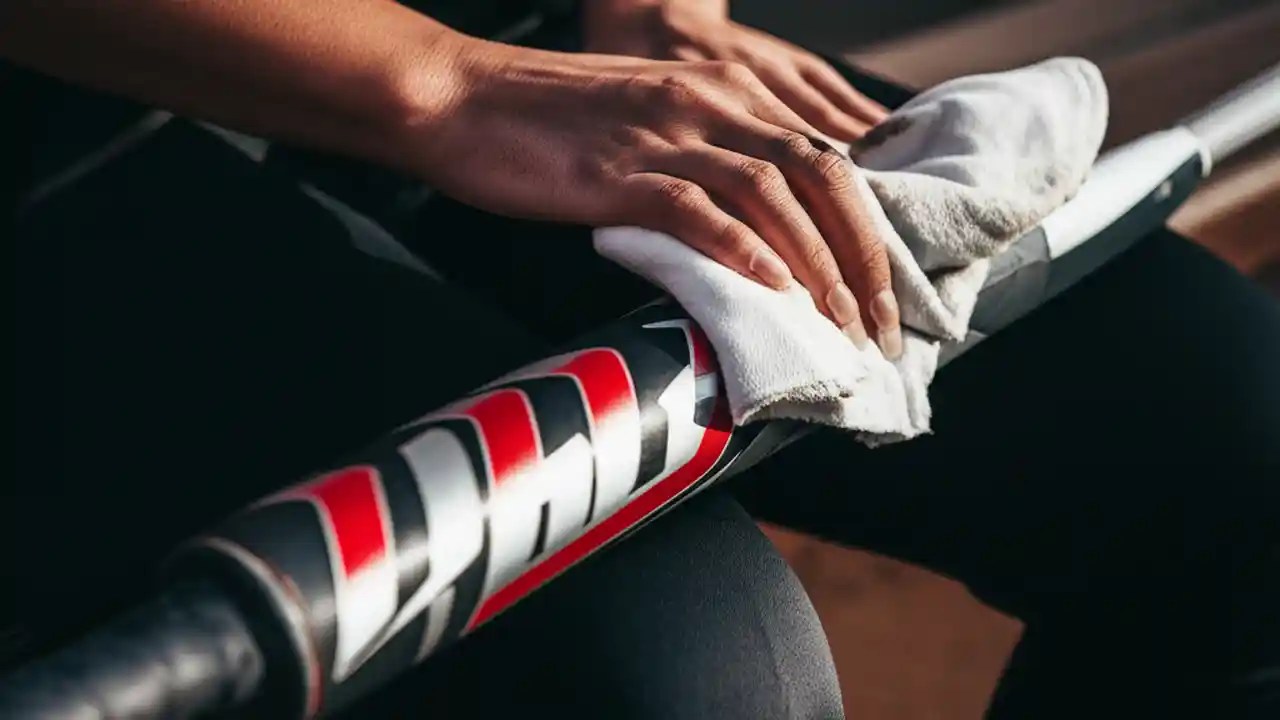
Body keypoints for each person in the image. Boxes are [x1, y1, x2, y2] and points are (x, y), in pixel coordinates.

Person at [4, 1, 1277, 718]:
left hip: (529, 40)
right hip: (74, 130)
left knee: (1240, 456)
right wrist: (444, 87)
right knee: (680, 674)